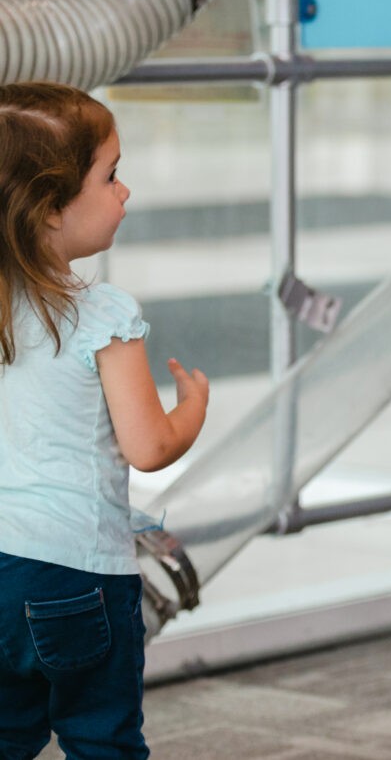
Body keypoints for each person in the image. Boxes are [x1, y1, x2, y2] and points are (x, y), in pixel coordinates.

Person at [0, 82, 210, 758]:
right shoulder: (102, 315)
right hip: (78, 574)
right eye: (110, 175)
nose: (124, 191)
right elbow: (148, 447)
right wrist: (193, 407)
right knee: (101, 736)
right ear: (48, 206)